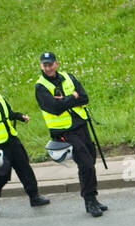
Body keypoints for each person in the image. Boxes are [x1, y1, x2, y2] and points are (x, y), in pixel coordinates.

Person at [0, 68, 49, 214]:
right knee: (3, 173)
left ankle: (34, 196)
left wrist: (19, 116)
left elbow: (7, 113)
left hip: (11, 138)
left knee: (24, 167)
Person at [34, 52, 105, 216]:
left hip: (81, 124)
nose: (48, 67)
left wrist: (64, 100)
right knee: (85, 163)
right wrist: (72, 97)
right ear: (41, 66)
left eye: (50, 64)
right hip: (65, 131)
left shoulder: (68, 77)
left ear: (56, 64)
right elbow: (55, 108)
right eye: (45, 65)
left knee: (91, 160)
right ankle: (89, 202)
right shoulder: (41, 87)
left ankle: (93, 198)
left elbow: (84, 98)